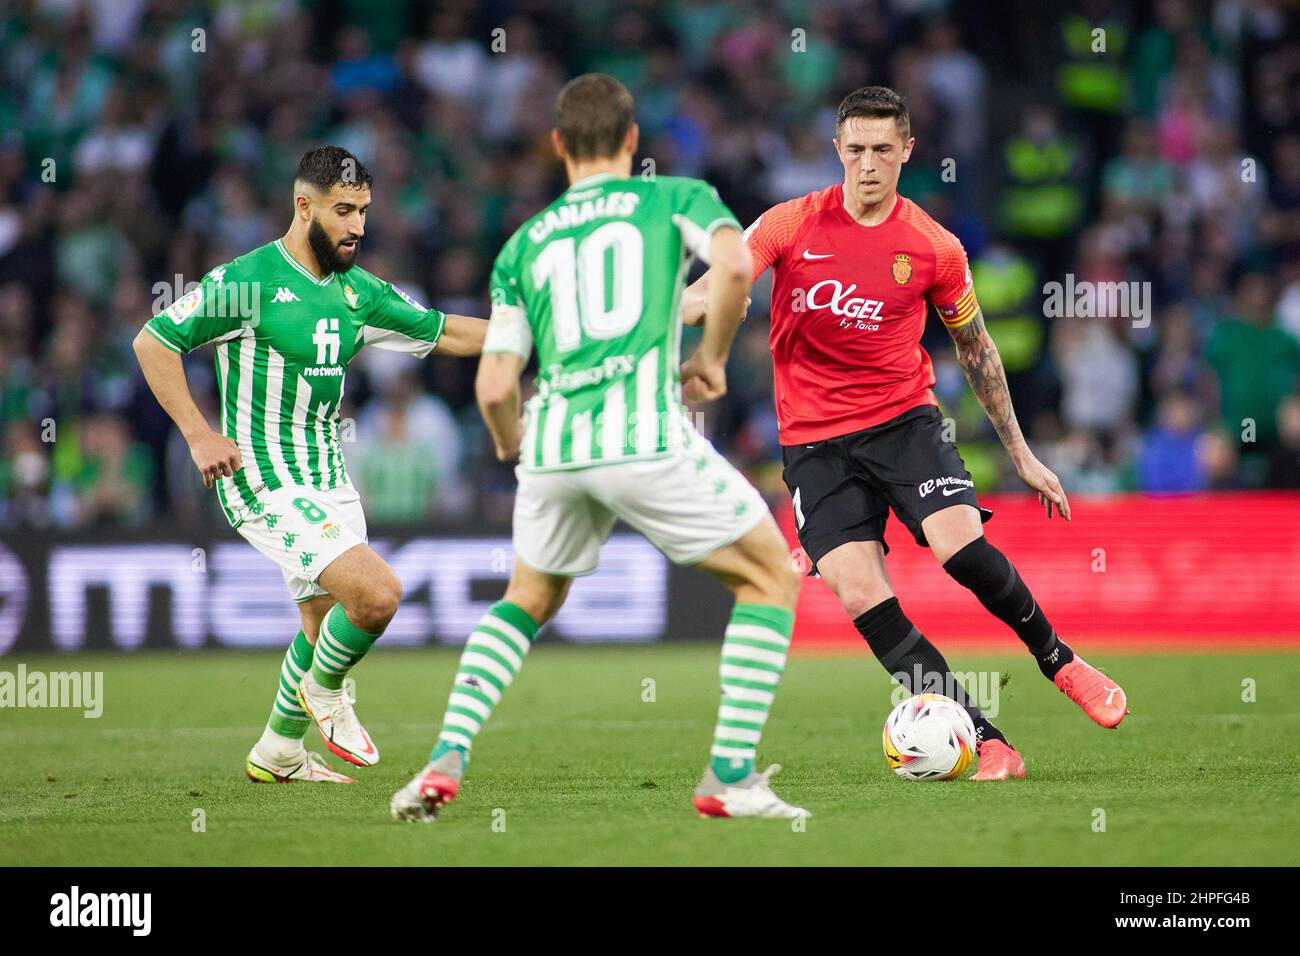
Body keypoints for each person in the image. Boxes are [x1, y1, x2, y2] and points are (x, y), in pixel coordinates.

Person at [391, 74, 806, 822]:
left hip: (553, 445)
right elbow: (738, 267)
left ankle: (445, 757)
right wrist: (709, 359)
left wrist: (515, 449)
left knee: (528, 598)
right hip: (642, 436)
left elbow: (493, 387)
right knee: (771, 578)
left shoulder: (523, 244)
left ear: (557, 146)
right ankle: (728, 776)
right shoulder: (671, 197)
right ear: (632, 140)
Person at [686, 87, 1129, 781]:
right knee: (863, 597)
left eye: (882, 151)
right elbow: (719, 286)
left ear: (907, 153)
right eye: (855, 149)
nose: (867, 165)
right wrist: (660, 312)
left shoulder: (932, 246)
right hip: (813, 447)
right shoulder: (786, 224)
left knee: (959, 548)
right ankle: (989, 743)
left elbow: (976, 349)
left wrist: (1021, 452)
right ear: (837, 149)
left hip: (905, 424)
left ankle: (1060, 661)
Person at [134, 146, 487, 783]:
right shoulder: (245, 283)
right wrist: (198, 434)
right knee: (377, 596)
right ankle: (325, 693)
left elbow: (452, 333)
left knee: (321, 623)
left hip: (329, 477)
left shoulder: (359, 293)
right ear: (304, 206)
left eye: (364, 212)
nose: (358, 226)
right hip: (260, 477)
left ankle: (278, 754)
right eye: (344, 210)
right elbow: (153, 342)